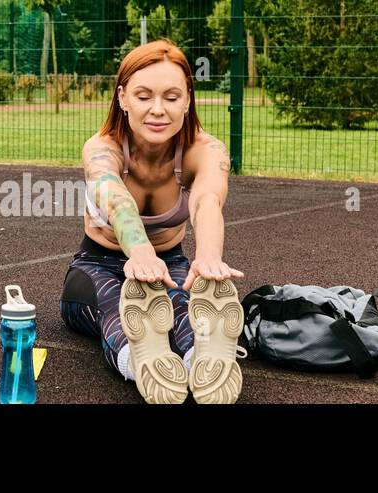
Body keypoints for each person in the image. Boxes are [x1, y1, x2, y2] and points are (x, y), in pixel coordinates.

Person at [60, 40, 247, 404]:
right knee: (117, 309)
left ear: (189, 99)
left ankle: (203, 362)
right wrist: (141, 252)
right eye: (144, 96)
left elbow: (208, 201)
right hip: (96, 267)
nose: (158, 110)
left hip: (171, 261)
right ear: (122, 98)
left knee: (180, 307)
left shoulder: (206, 151)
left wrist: (208, 257)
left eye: (172, 97)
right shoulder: (102, 148)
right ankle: (141, 363)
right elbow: (116, 200)